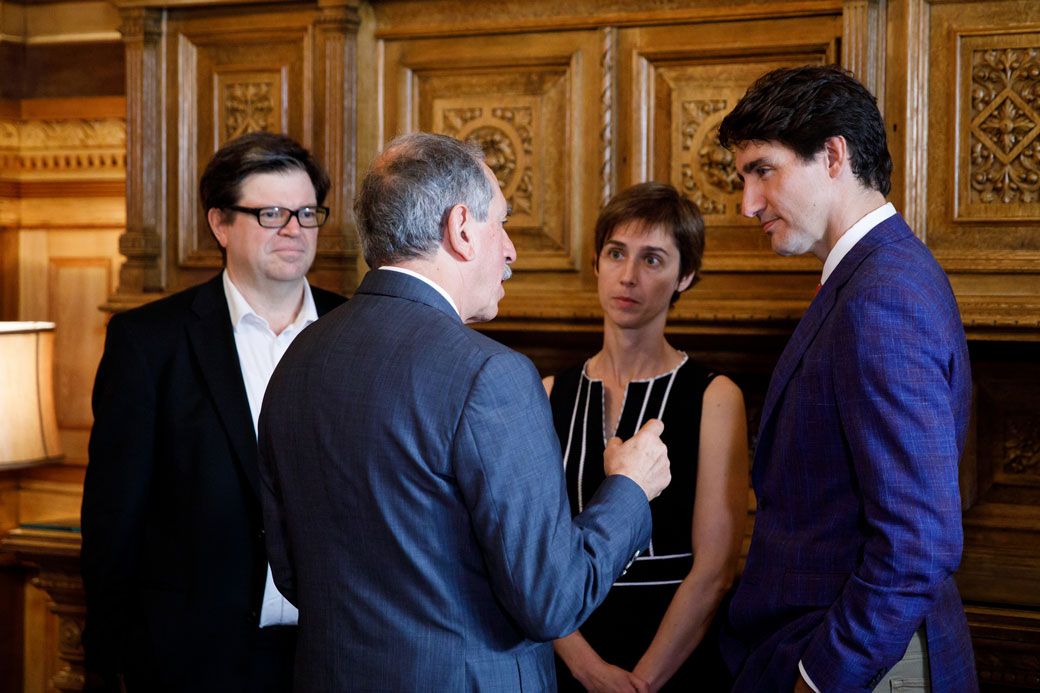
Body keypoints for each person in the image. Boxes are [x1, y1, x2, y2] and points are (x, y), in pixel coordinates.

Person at [257, 132, 672, 691]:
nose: (509, 250)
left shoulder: (298, 357)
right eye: (500, 223)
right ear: (459, 229)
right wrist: (629, 487)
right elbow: (552, 600)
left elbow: (292, 575)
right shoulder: (491, 375)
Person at [716, 65, 978, 692]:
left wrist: (819, 676)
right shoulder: (871, 276)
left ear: (832, 155)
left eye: (763, 170)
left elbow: (917, 541)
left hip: (864, 664)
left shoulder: (882, 294)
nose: (747, 204)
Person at [80, 131, 346, 692]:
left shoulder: (359, 333)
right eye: (270, 213)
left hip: (338, 652)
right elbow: (113, 518)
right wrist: (109, 659)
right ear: (220, 223)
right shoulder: (148, 343)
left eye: (306, 213)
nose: (294, 229)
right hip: (194, 659)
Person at [547, 182, 748, 693]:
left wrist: (642, 683)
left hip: (674, 659)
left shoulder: (715, 397)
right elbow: (530, 559)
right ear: (597, 263)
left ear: (686, 276)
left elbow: (715, 569)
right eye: (616, 253)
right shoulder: (548, 393)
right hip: (565, 653)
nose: (629, 275)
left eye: (653, 259)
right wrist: (587, 670)